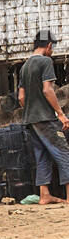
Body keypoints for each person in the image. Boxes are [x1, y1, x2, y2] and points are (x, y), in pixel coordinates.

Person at [18, 29, 69, 204]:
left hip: (31, 119)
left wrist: (32, 111)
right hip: (46, 118)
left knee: (42, 155)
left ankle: (44, 195)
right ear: (48, 46)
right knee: (64, 152)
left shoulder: (25, 66)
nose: (52, 51)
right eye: (52, 47)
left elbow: (21, 97)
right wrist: (61, 114)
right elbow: (48, 90)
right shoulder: (45, 61)